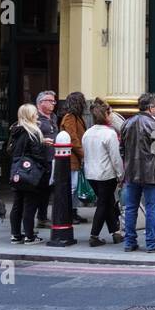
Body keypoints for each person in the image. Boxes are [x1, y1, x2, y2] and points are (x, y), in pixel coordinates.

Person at [121, 93, 155, 252]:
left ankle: (129, 242)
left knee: (131, 208)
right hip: (151, 173)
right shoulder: (154, 126)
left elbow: (122, 149)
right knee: (152, 208)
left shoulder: (127, 123)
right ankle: (152, 243)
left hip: (131, 172)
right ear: (150, 107)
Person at [7, 104, 50, 244]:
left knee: (17, 204)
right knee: (30, 205)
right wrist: (45, 168)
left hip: (17, 171)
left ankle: (15, 235)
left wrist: (42, 142)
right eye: (35, 114)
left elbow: (13, 150)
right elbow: (37, 155)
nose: (37, 116)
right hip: (30, 174)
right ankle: (29, 236)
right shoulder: (34, 132)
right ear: (31, 116)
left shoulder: (15, 130)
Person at [82, 100, 123, 246]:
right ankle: (94, 235)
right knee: (103, 204)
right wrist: (120, 175)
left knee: (108, 202)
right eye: (110, 113)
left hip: (91, 174)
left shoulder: (87, 133)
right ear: (105, 114)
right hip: (106, 174)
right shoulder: (109, 134)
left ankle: (116, 232)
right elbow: (115, 158)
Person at [59, 91, 88, 223]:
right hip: (71, 158)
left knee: (75, 188)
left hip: (75, 158)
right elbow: (73, 138)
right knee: (72, 186)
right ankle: (68, 213)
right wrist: (83, 154)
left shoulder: (76, 117)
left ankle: (73, 211)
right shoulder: (70, 117)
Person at [33, 90, 58, 228]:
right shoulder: (36, 119)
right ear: (41, 103)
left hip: (53, 159)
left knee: (49, 189)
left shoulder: (53, 117)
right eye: (50, 101)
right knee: (41, 189)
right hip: (41, 159)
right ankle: (40, 217)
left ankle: (44, 216)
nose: (53, 103)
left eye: (54, 101)